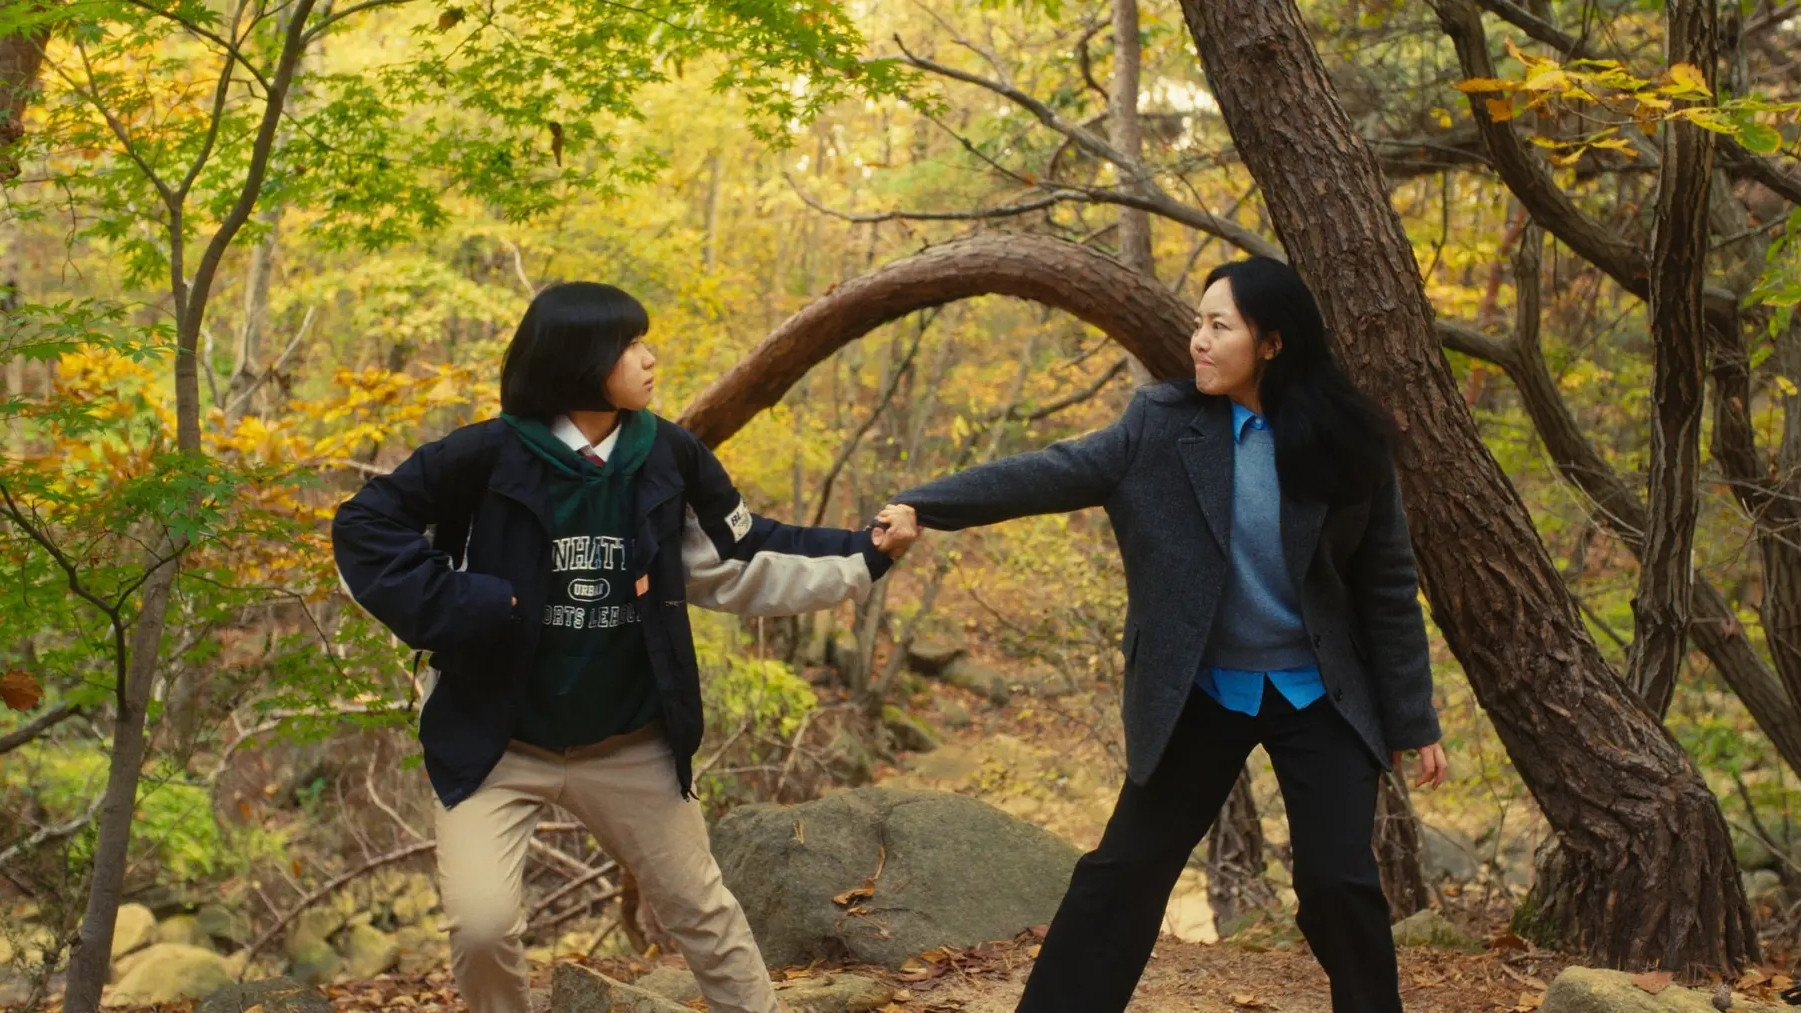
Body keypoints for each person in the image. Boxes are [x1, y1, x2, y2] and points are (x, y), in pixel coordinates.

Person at [875, 256, 1448, 1013]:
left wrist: (1412, 717)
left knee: (1337, 881)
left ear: (1271, 342)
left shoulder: (1349, 442)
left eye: (1219, 325)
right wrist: (922, 503)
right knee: (1123, 871)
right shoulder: (1161, 426)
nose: (1197, 341)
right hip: (1200, 689)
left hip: (1318, 692)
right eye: (1197, 323)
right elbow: (1047, 473)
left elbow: (1385, 587)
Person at [332, 281, 916, 1013]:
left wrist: (865, 552)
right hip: (496, 741)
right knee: (481, 926)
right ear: (576, 361)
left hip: (630, 739)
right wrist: (467, 600)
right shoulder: (486, 454)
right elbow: (363, 527)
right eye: (628, 345)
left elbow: (743, 552)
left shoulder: (667, 453)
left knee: (703, 911)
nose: (648, 357)